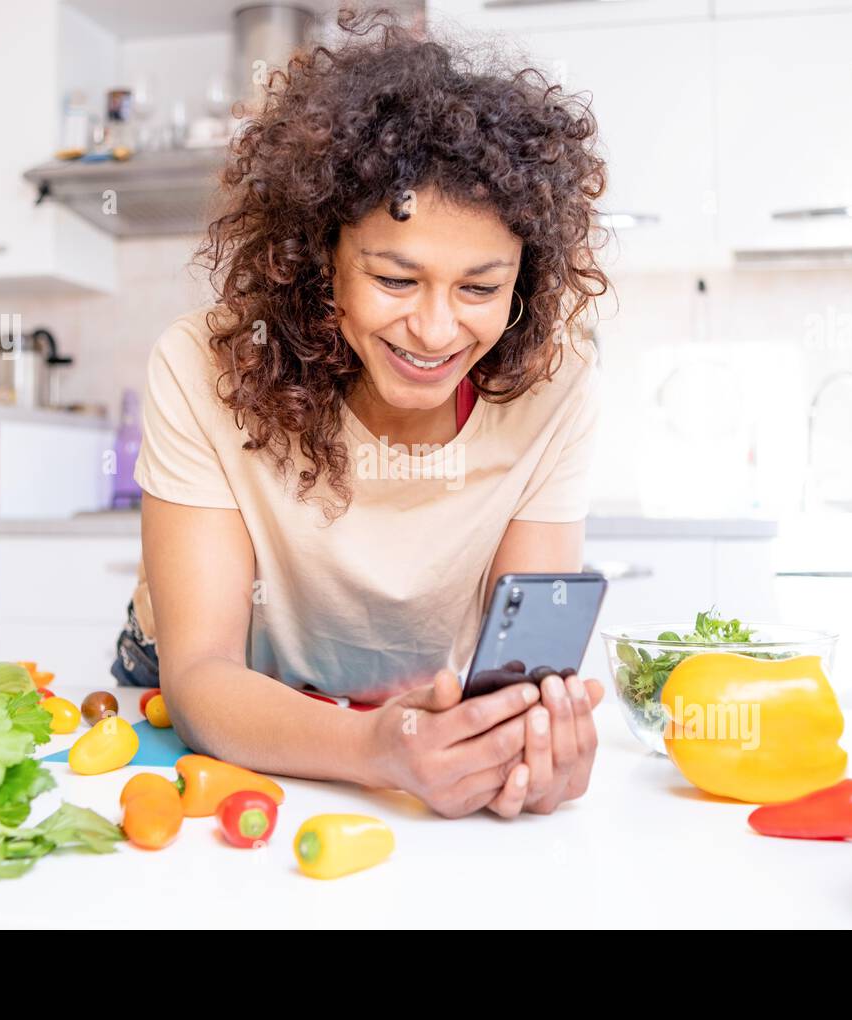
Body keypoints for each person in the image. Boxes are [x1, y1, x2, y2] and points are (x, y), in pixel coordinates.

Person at [112, 10, 610, 818]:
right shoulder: (203, 365)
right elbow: (202, 672)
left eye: (480, 288)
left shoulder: (555, 389)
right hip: (217, 711)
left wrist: (531, 747)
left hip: (408, 716)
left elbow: (522, 666)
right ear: (319, 262)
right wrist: (377, 751)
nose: (438, 329)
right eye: (395, 280)